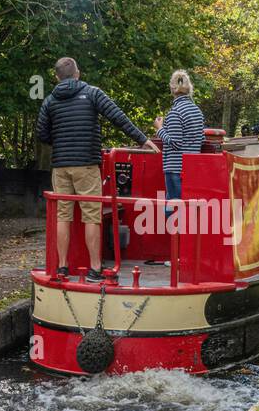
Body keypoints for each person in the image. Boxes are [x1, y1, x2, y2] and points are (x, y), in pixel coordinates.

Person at [35, 57, 156, 281]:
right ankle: (95, 268)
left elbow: (42, 134)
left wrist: (62, 141)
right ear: (77, 73)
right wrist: (142, 140)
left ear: (57, 77)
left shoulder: (50, 101)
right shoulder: (92, 93)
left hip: (61, 166)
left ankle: (62, 268)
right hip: (87, 165)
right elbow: (117, 116)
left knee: (63, 215)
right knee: (92, 216)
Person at [154, 70, 206, 215]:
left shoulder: (175, 112)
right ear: (189, 88)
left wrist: (159, 129)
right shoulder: (197, 111)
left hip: (175, 169)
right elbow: (201, 140)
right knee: (188, 210)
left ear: (172, 89)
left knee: (172, 210)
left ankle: (174, 237)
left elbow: (175, 143)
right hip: (191, 168)